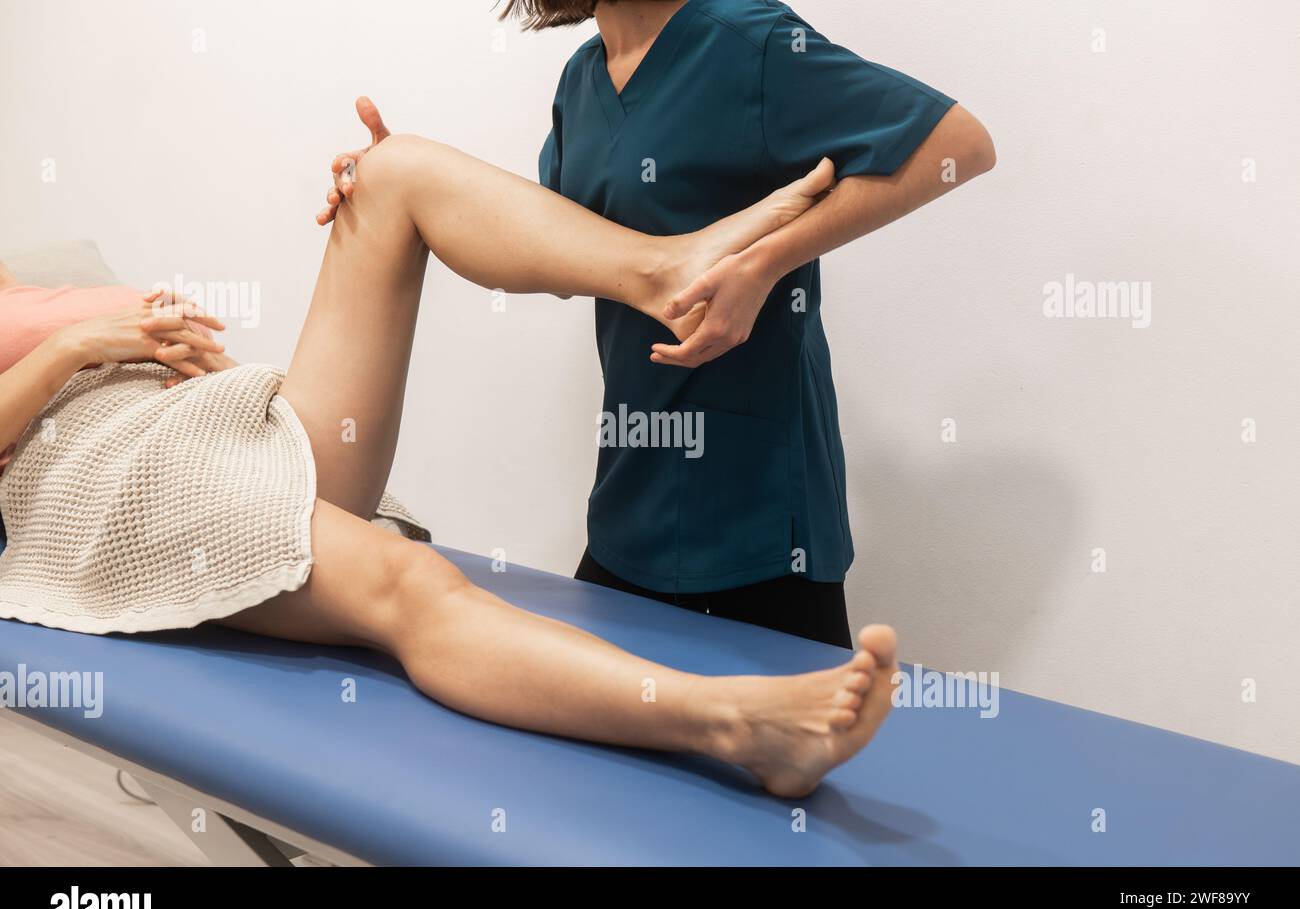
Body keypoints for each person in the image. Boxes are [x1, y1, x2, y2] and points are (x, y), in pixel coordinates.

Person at [0, 132, 897, 797]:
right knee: (406, 582)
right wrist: (71, 349)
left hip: (210, 421)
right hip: (97, 471)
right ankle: (736, 723)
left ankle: (665, 272)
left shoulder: (27, 272)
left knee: (389, 178)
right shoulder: (61, 341)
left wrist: (181, 362)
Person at [325, 1, 995, 646]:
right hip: (630, 502)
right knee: (596, 749)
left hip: (758, 524)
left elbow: (958, 143)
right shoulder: (584, 77)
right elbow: (557, 249)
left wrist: (764, 263)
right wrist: (390, 191)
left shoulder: (744, 38)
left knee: (785, 748)